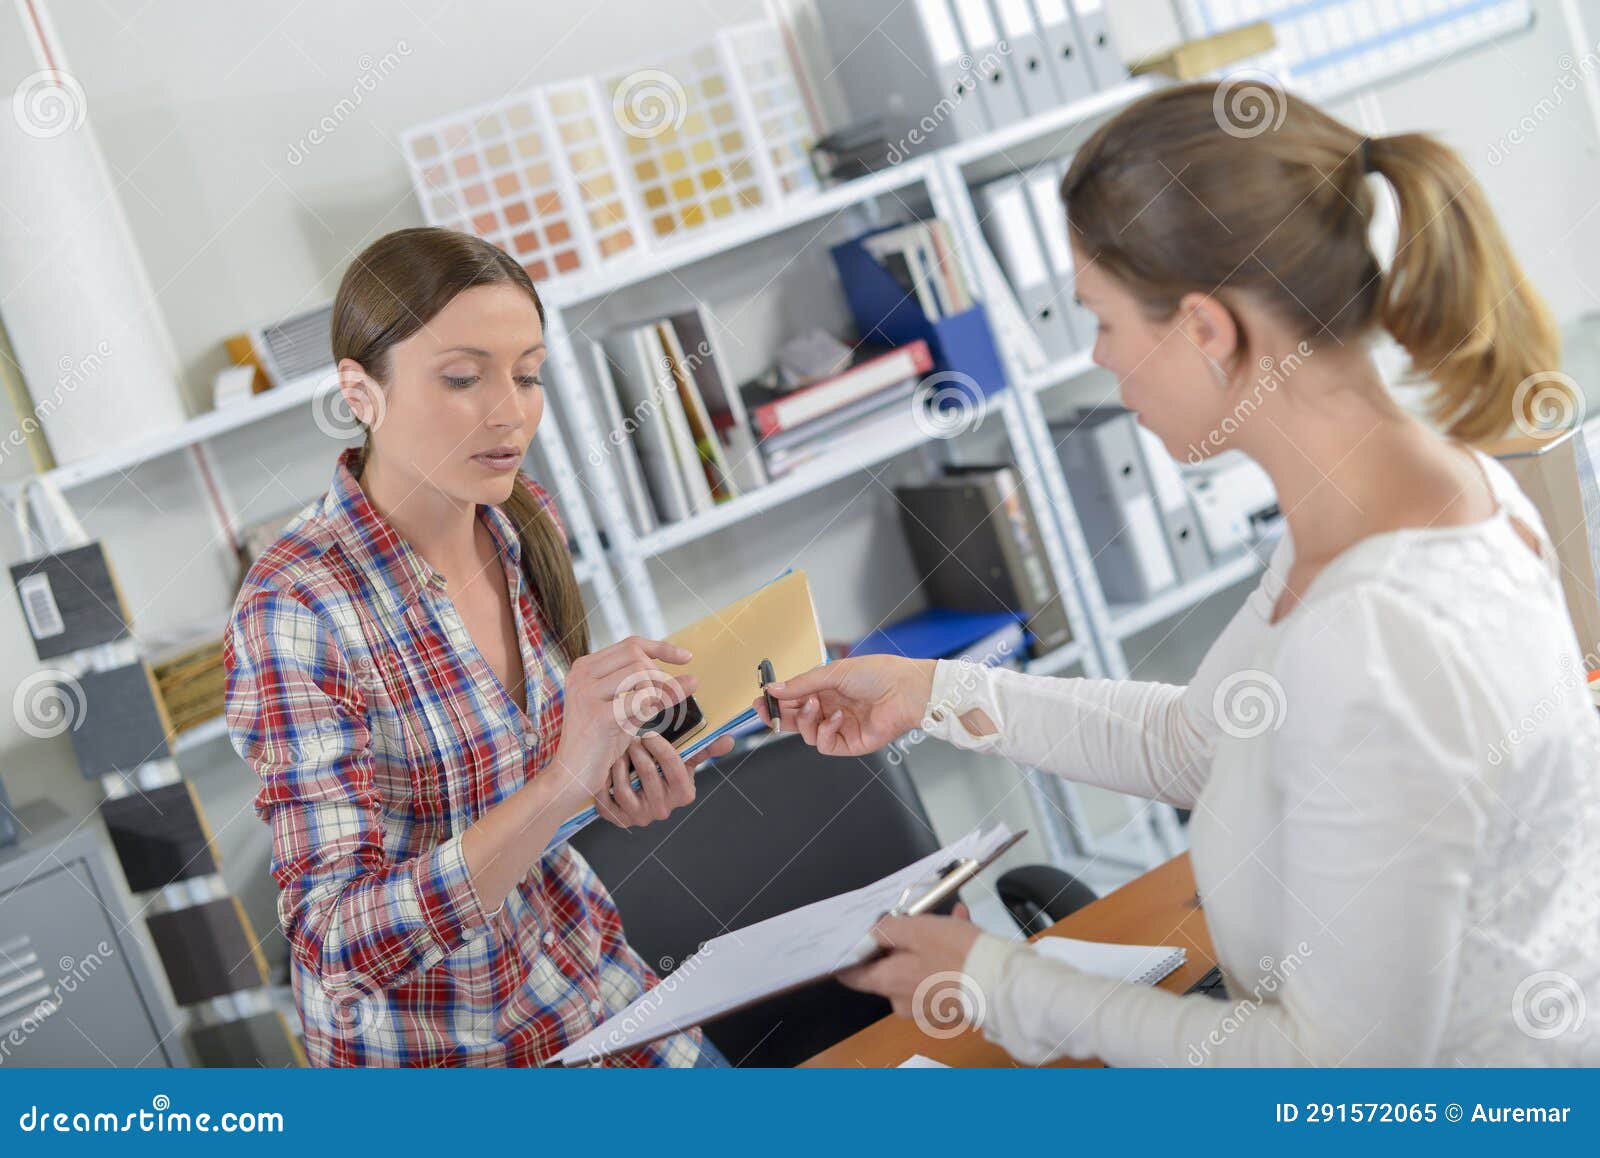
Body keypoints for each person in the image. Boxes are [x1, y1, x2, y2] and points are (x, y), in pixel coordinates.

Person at [757, 82, 1600, 1065]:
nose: (1101, 359)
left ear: (1206, 328)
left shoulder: (1376, 626)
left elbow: (1335, 1079)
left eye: (1105, 321)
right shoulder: (1403, 501)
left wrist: (993, 983)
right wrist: (930, 691)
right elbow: (1196, 742)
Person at [224, 227, 732, 1066]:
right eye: (463, 378)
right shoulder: (297, 610)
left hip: (588, 995)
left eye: (528, 375)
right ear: (361, 392)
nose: (510, 412)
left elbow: (526, 781)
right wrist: (562, 782)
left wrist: (607, 771)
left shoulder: (517, 517)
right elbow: (337, 944)